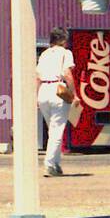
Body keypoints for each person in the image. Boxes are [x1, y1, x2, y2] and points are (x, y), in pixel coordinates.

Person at [37, 28, 77, 177]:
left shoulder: (44, 54)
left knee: (52, 129)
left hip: (43, 91)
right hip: (58, 89)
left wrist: (36, 95)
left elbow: (37, 76)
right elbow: (67, 74)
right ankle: (49, 164)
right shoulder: (66, 53)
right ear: (63, 40)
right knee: (57, 130)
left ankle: (56, 163)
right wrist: (74, 93)